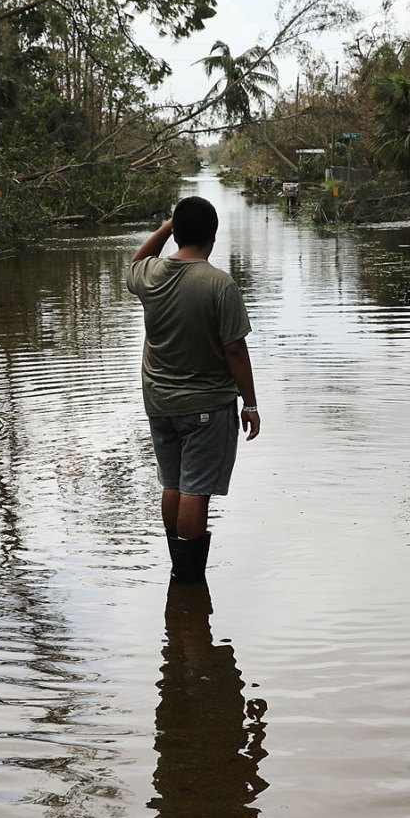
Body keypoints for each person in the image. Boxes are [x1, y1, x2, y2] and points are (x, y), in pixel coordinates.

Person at [126, 196, 261, 581]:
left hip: (160, 403)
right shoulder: (219, 284)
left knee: (173, 483)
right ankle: (189, 579)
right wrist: (249, 404)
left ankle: (179, 571)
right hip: (206, 407)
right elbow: (234, 348)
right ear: (213, 238)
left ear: (176, 234)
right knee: (195, 489)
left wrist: (168, 226)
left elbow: (135, 261)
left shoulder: (150, 276)